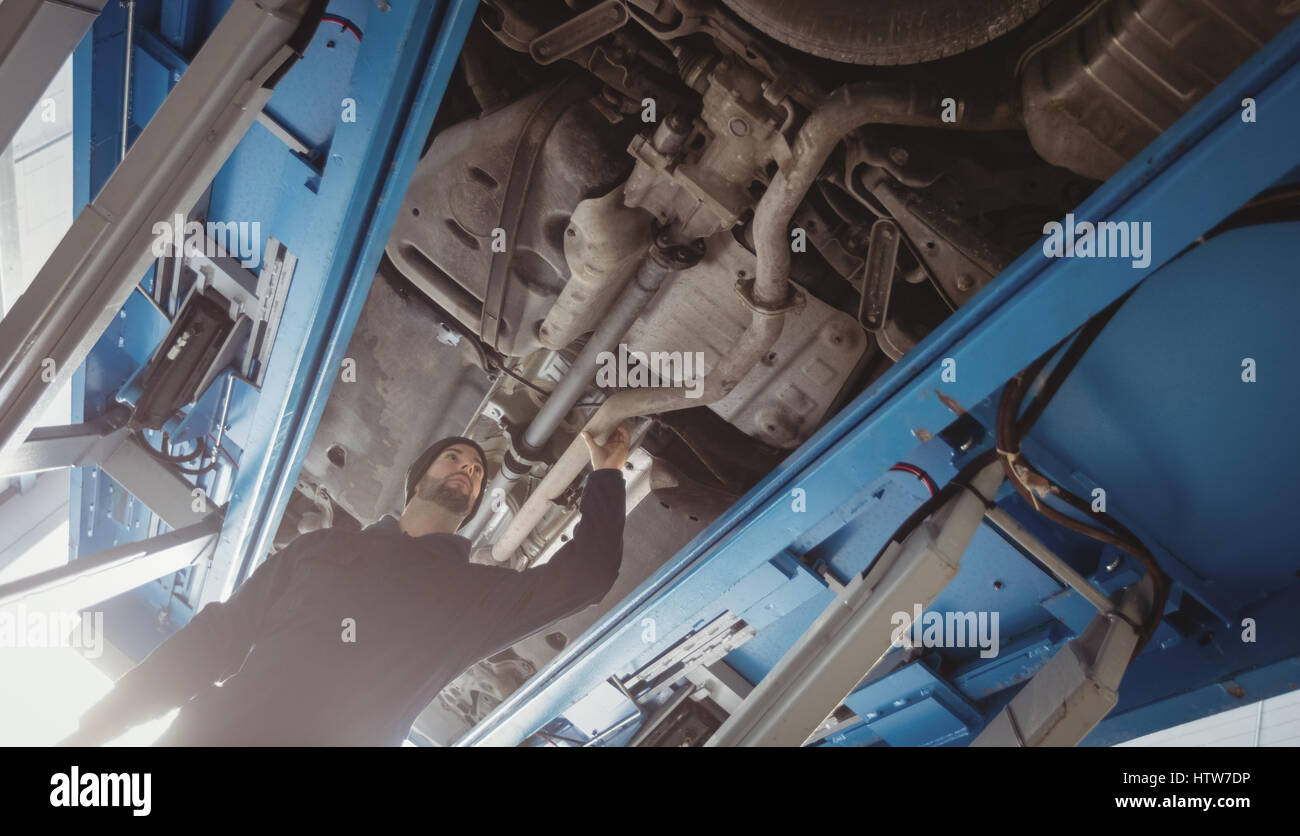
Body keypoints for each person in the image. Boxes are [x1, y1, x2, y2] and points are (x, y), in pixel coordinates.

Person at [62, 425, 631, 746]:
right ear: (418, 479)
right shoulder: (324, 548)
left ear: (475, 503)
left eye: (477, 472)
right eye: (454, 458)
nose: (467, 469)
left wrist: (606, 472)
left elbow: (586, 575)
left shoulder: (474, 599)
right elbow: (213, 640)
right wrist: (97, 731)